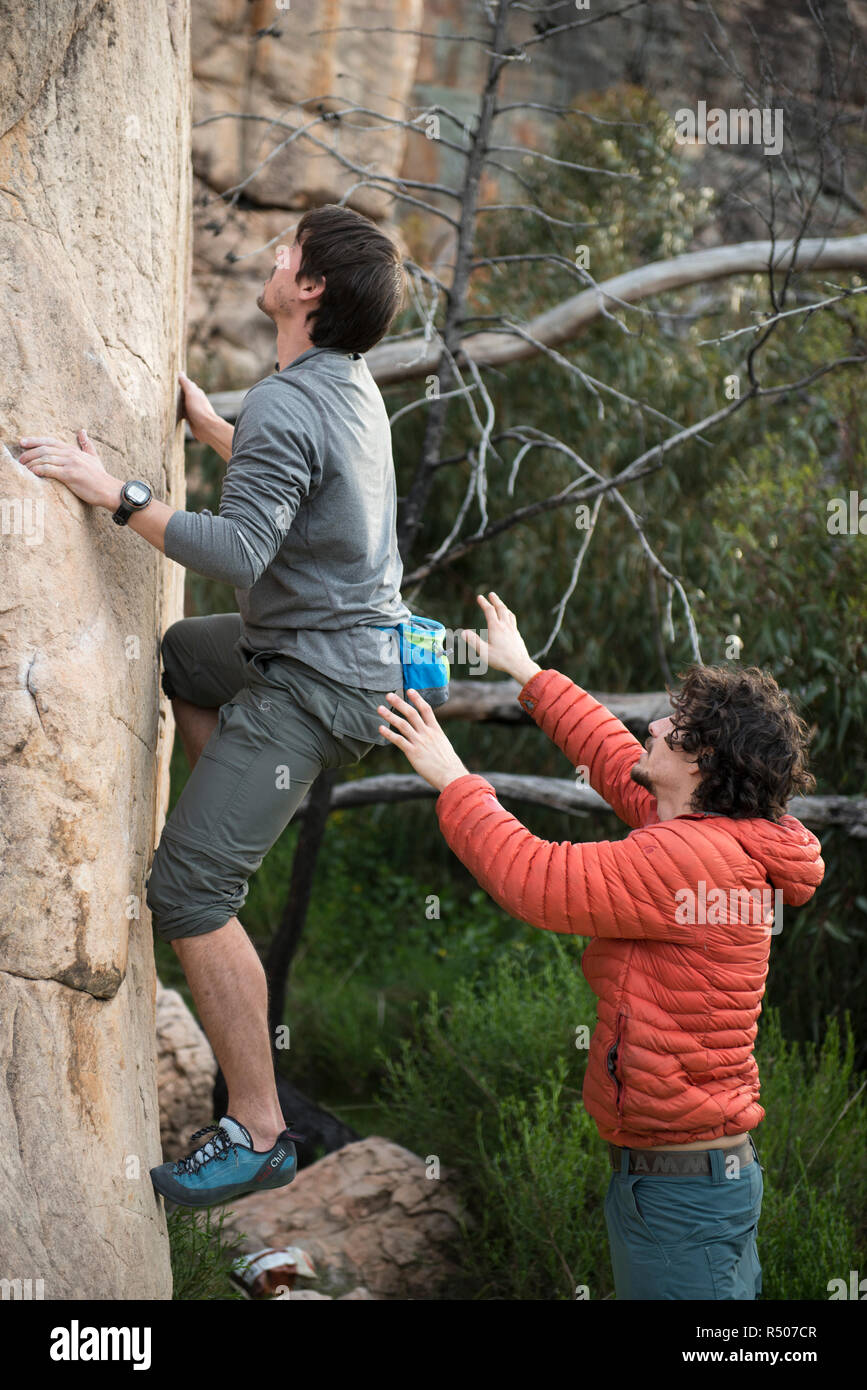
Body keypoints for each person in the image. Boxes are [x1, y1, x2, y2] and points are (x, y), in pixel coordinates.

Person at [17, 203, 414, 1207]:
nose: (274, 256)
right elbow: (306, 491)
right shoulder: (346, 384)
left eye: (291, 251)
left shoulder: (290, 399)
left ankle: (259, 1130)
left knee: (188, 894)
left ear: (309, 288)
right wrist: (215, 433)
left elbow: (238, 550)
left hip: (317, 680)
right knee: (188, 657)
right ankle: (228, 815)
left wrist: (112, 488)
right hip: (337, 656)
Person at [376, 590, 825, 1300]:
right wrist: (528, 672)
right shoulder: (714, 834)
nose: (654, 724)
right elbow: (614, 759)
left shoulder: (693, 860)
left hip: (680, 1196)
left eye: (674, 725)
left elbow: (533, 877)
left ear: (703, 761)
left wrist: (454, 779)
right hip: (691, 1182)